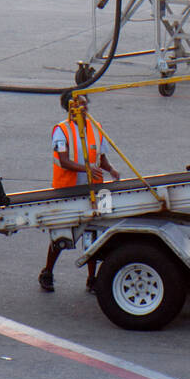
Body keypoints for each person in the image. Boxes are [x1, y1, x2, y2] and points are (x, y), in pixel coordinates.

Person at [40, 90, 120, 293]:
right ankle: (47, 272)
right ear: (69, 108)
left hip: (93, 188)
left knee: (93, 234)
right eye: (78, 105)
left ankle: (92, 279)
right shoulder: (61, 130)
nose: (83, 108)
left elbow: (100, 157)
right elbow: (64, 161)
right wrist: (86, 169)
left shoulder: (96, 127)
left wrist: (110, 169)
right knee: (62, 234)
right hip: (68, 189)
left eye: (85, 104)